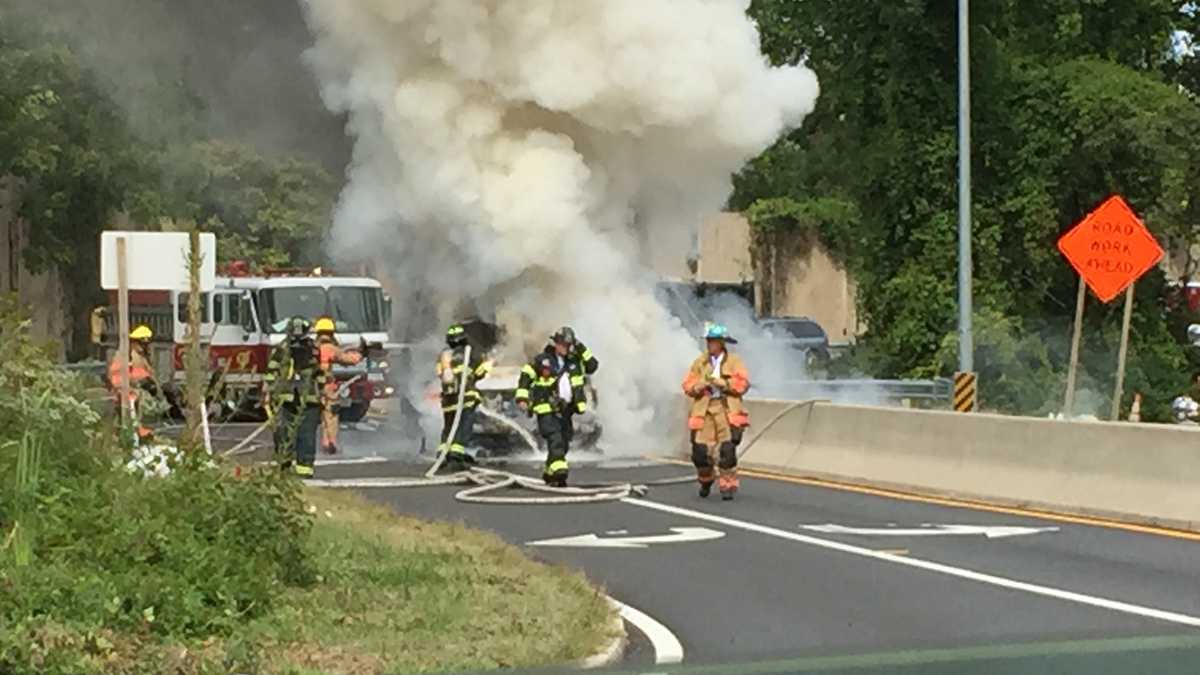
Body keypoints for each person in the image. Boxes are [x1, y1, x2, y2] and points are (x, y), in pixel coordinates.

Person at [516, 327, 597, 486]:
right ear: (556, 343)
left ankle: (549, 471)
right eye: (562, 344)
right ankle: (560, 471)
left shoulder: (574, 362)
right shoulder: (543, 360)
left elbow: (592, 366)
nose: (564, 348)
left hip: (565, 410)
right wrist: (522, 398)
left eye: (568, 345)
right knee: (555, 438)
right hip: (545, 408)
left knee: (564, 442)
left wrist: (580, 347)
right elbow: (526, 376)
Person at [682, 323, 751, 500]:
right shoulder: (700, 363)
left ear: (721, 342)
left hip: (725, 409)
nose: (709, 344)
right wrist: (698, 386)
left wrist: (725, 384)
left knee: (727, 451)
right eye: (708, 341)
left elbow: (743, 384)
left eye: (712, 341)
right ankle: (706, 479)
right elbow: (688, 384)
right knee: (700, 453)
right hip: (704, 410)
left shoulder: (734, 362)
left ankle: (728, 485)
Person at [264, 316, 325, 478]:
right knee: (299, 434)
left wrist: (269, 391)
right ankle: (300, 467)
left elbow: (271, 372)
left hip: (292, 399)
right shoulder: (312, 349)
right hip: (304, 399)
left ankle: (292, 467)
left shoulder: (283, 348)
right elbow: (319, 373)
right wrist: (322, 393)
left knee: (291, 433)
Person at [436, 322, 491, 471]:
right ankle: (456, 456)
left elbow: (440, 373)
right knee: (463, 428)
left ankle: (442, 454)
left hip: (448, 400)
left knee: (448, 428)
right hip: (465, 399)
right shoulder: (470, 353)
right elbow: (479, 373)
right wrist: (488, 365)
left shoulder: (444, 356)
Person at [313, 316, 362, 455]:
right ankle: (331, 443)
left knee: (319, 416)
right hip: (327, 387)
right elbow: (347, 360)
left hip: (311, 386)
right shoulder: (330, 348)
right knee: (331, 415)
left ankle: (321, 442)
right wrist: (360, 354)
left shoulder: (313, 348)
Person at [107, 324, 159, 442]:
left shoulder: (141, 356)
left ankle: (142, 432)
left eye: (146, 343)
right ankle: (134, 434)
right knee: (130, 412)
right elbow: (116, 377)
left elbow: (146, 372)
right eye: (142, 343)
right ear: (134, 342)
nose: (145, 347)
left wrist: (149, 382)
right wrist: (138, 382)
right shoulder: (125, 356)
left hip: (139, 391)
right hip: (127, 393)